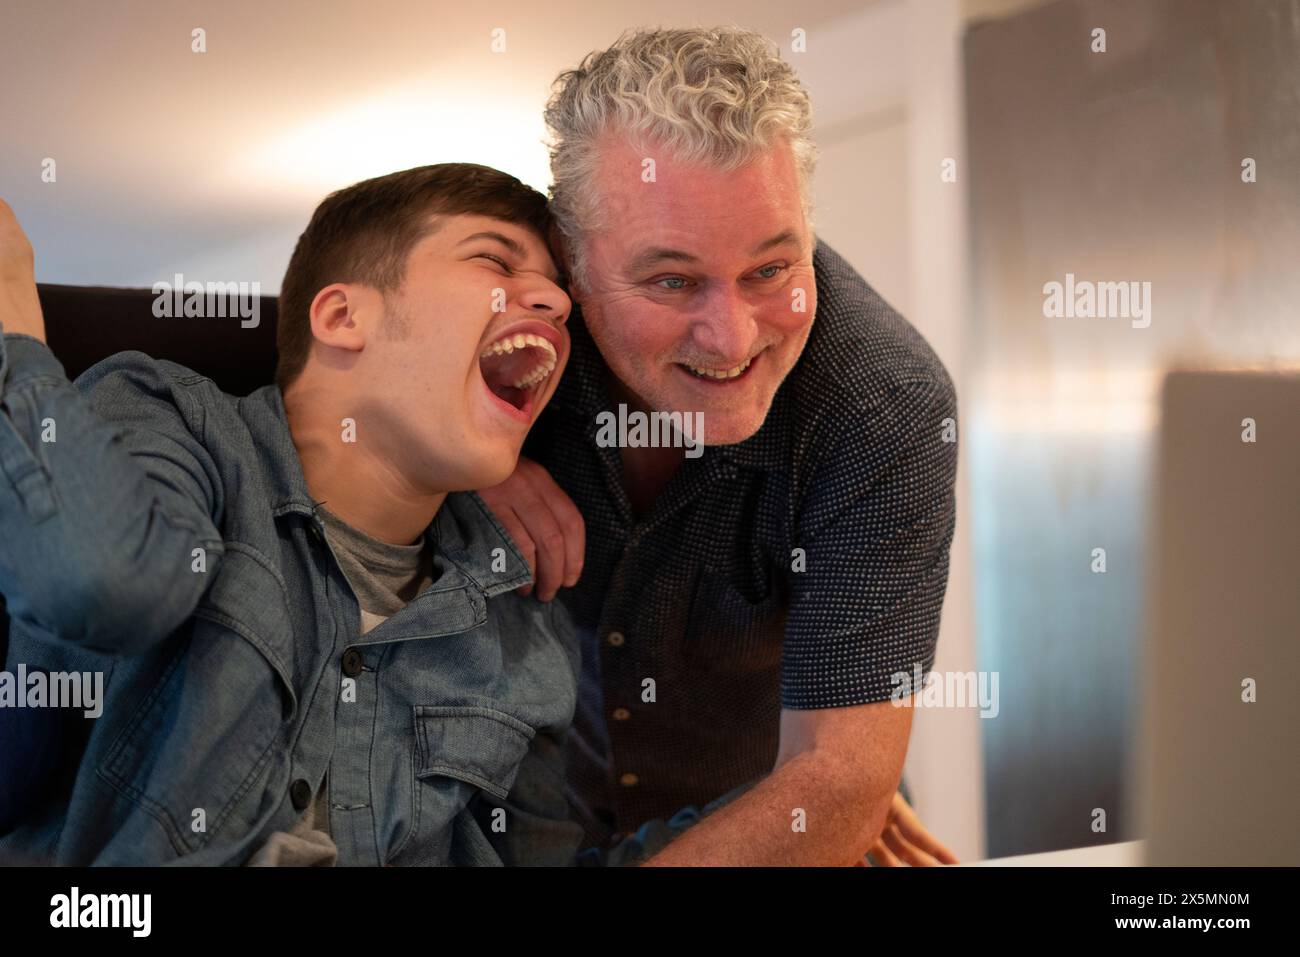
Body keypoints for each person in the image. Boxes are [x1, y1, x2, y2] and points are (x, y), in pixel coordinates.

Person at [0, 163, 581, 865]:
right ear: (342, 318)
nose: (556, 300)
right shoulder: (174, 422)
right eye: (494, 261)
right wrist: (13, 339)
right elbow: (98, 581)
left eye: (556, 287)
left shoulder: (527, 625)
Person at [479, 26, 962, 866]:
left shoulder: (882, 405)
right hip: (545, 825)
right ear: (569, 263)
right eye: (671, 280)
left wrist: (838, 799)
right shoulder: (493, 337)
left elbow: (838, 781)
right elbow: (313, 393)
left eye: (771, 270)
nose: (732, 337)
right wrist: (459, 458)